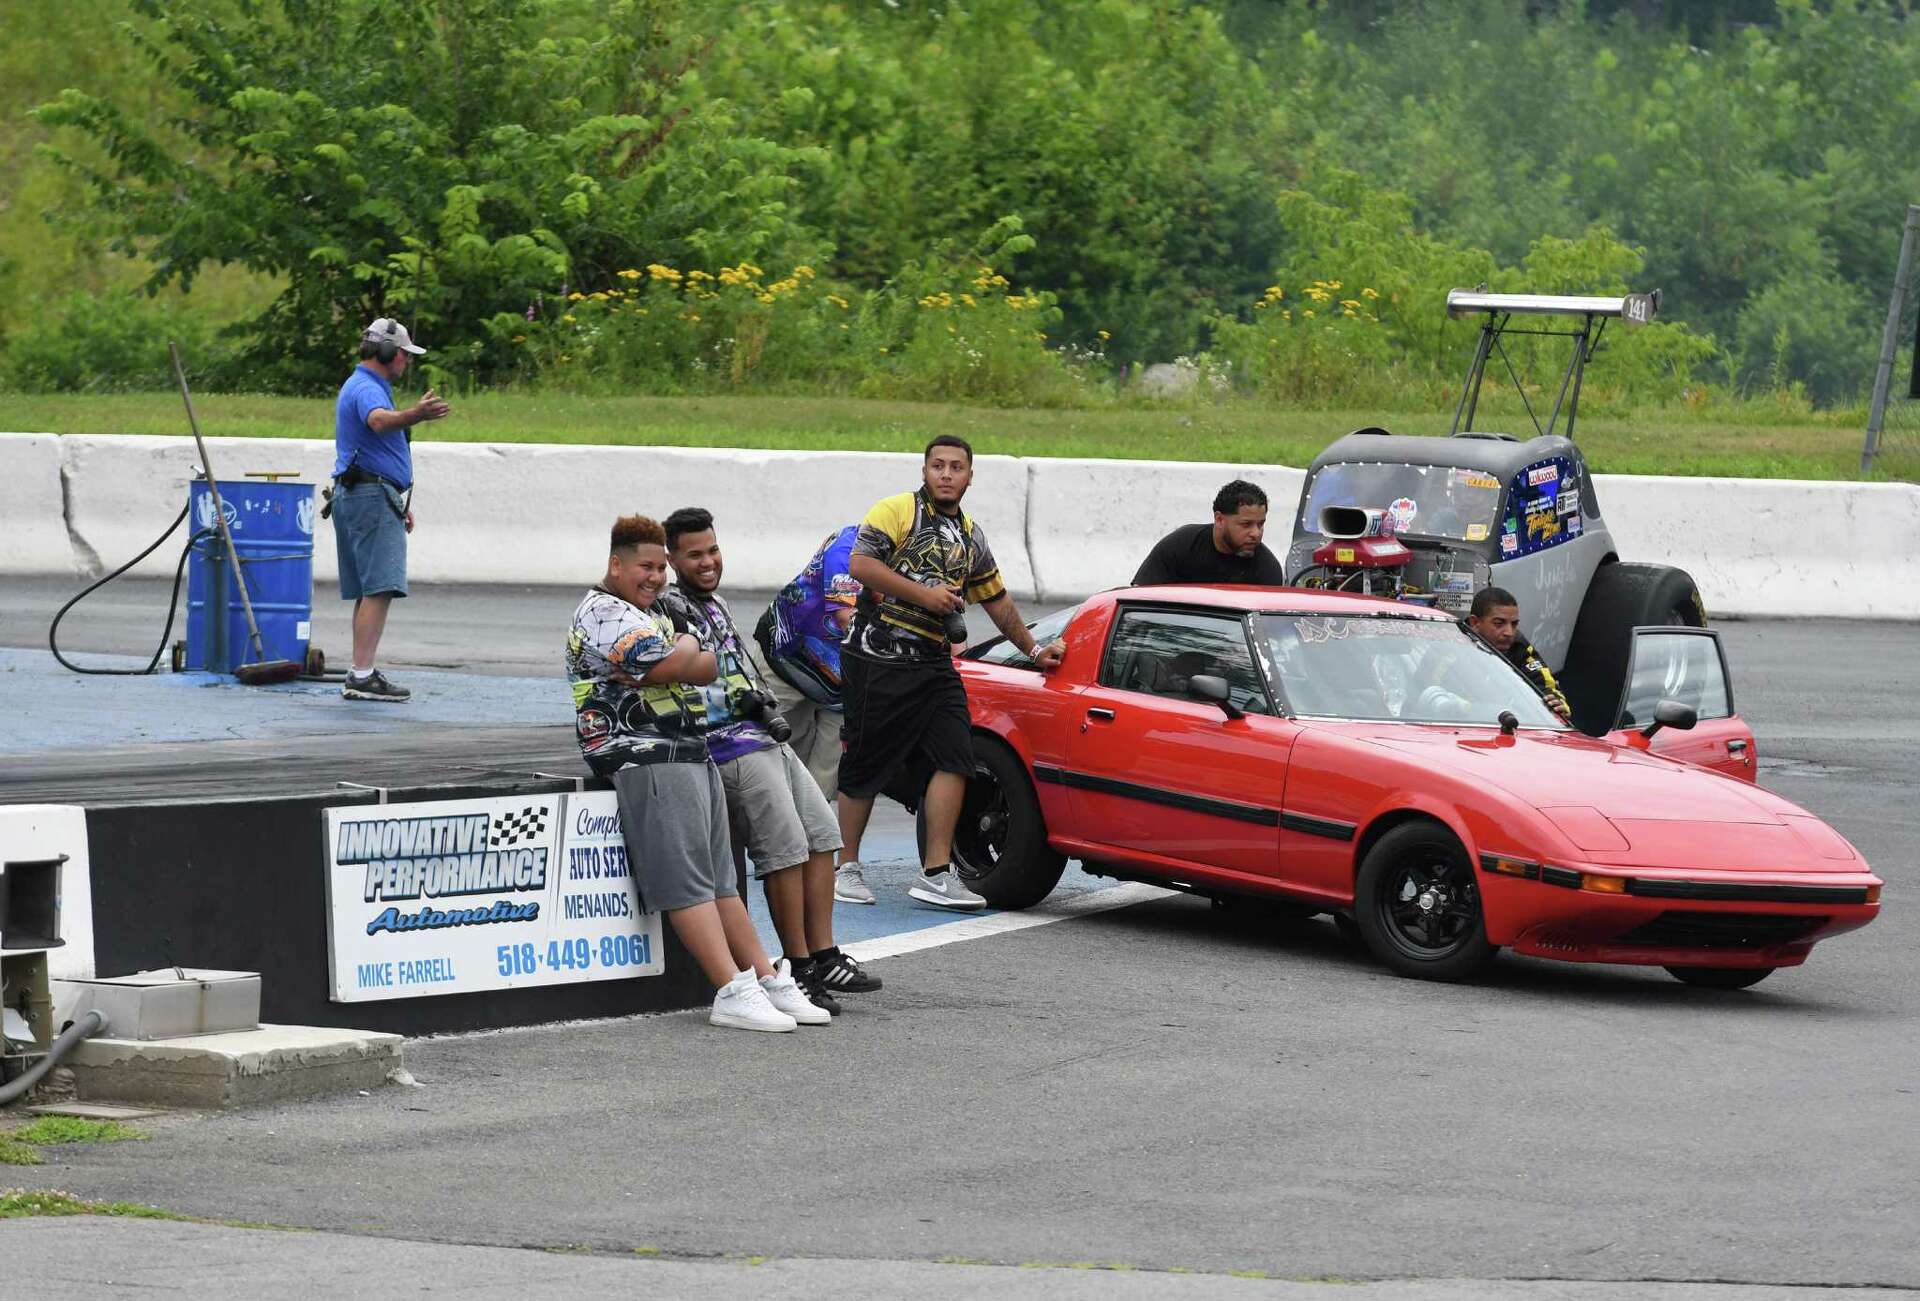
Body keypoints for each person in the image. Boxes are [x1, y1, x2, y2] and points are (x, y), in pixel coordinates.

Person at [567, 514, 828, 1032]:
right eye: (645, 567)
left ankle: (765, 979)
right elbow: (670, 664)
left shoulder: (648, 612)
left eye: (659, 568)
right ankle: (731, 990)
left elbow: (704, 664)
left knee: (721, 882)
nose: (655, 578)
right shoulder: (602, 612)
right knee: (687, 881)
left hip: (689, 746)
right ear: (615, 565)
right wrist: (681, 655)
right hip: (643, 754)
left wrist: (681, 655)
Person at [657, 508, 879, 1012]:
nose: (708, 561)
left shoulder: (715, 602)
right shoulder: (670, 609)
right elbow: (692, 682)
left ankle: (823, 955)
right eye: (694, 555)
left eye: (713, 550)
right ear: (672, 560)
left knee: (823, 834)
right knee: (786, 847)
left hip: (763, 735)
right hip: (727, 744)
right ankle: (796, 967)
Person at [840, 435, 1065, 911]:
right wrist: (925, 596)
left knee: (957, 757)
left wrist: (1033, 649)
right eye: (937, 465)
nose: (946, 474)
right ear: (924, 471)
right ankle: (846, 867)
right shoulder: (897, 510)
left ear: (969, 477)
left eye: (956, 467)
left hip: (936, 663)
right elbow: (861, 565)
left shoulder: (970, 535)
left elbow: (996, 599)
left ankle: (936, 873)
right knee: (865, 761)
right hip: (877, 658)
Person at [751, 525, 876, 906]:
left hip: (842, 684)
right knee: (764, 759)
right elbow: (847, 618)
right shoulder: (850, 546)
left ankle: (806, 861)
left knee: (821, 779)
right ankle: (753, 849)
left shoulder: (916, 559)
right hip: (787, 662)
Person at [330, 317, 451, 702]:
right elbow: (379, 422)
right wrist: (417, 414)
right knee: (380, 587)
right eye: (403, 354)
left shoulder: (362, 384)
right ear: (385, 352)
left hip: (367, 494)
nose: (406, 361)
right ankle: (362, 674)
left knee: (369, 590)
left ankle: (360, 670)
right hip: (370, 496)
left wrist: (394, 499)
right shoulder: (367, 388)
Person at [1132, 479, 1288, 586]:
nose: (1256, 533)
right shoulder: (1181, 546)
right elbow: (1138, 598)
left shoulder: (1267, 568)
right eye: (1246, 525)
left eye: (1260, 524)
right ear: (1219, 519)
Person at [1466, 586, 1572, 721]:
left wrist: (1557, 704)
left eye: (1514, 624)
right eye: (1499, 623)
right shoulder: (1449, 642)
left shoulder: (1519, 646)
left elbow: (1544, 685)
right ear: (1475, 622)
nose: (1509, 632)